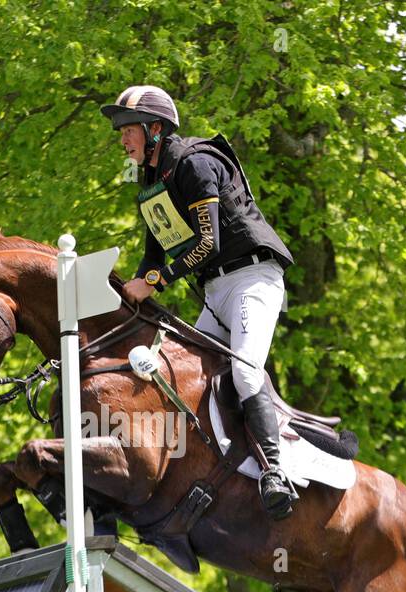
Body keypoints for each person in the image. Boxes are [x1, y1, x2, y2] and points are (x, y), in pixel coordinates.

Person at [100, 84, 300, 520]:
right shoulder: (153, 183)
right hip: (215, 292)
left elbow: (207, 243)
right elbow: (155, 251)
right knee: (179, 378)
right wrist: (133, 287)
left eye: (128, 129)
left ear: (155, 130)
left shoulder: (195, 163)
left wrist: (154, 282)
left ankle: (275, 472)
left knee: (246, 372)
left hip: (252, 280)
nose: (122, 139)